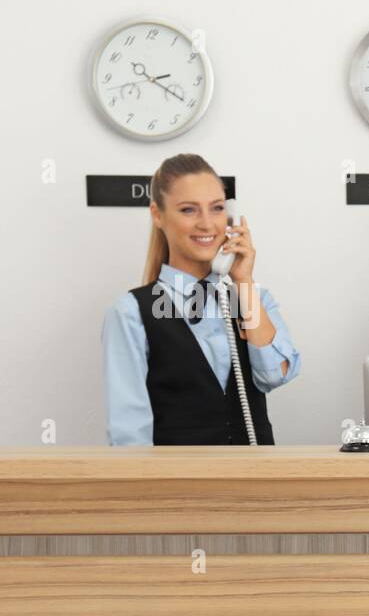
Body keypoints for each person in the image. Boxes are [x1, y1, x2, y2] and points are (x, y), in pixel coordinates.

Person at [102, 153, 301, 445]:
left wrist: (243, 281)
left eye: (217, 208)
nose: (207, 224)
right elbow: (129, 433)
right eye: (188, 210)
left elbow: (275, 375)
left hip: (255, 480)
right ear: (158, 215)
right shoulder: (130, 313)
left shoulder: (253, 297)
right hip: (178, 486)